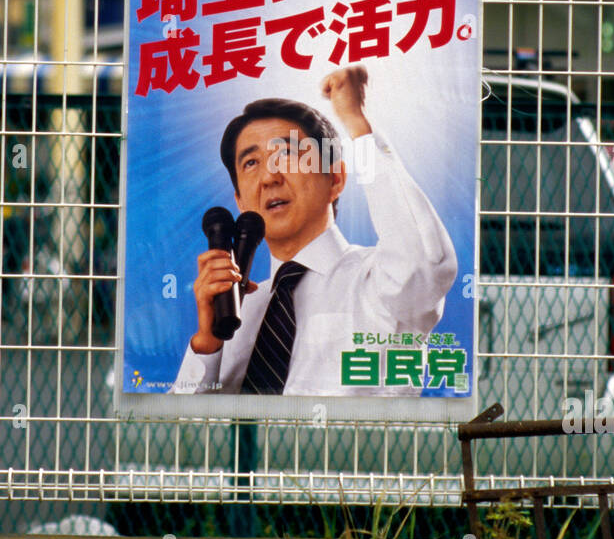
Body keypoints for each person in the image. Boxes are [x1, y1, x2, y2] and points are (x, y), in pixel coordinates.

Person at [170, 64, 458, 396]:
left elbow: (427, 260)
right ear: (239, 201)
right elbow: (182, 434)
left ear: (335, 178)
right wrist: (207, 343)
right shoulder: (236, 309)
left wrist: (357, 126)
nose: (269, 177)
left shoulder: (378, 280)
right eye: (251, 163)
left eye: (287, 155)